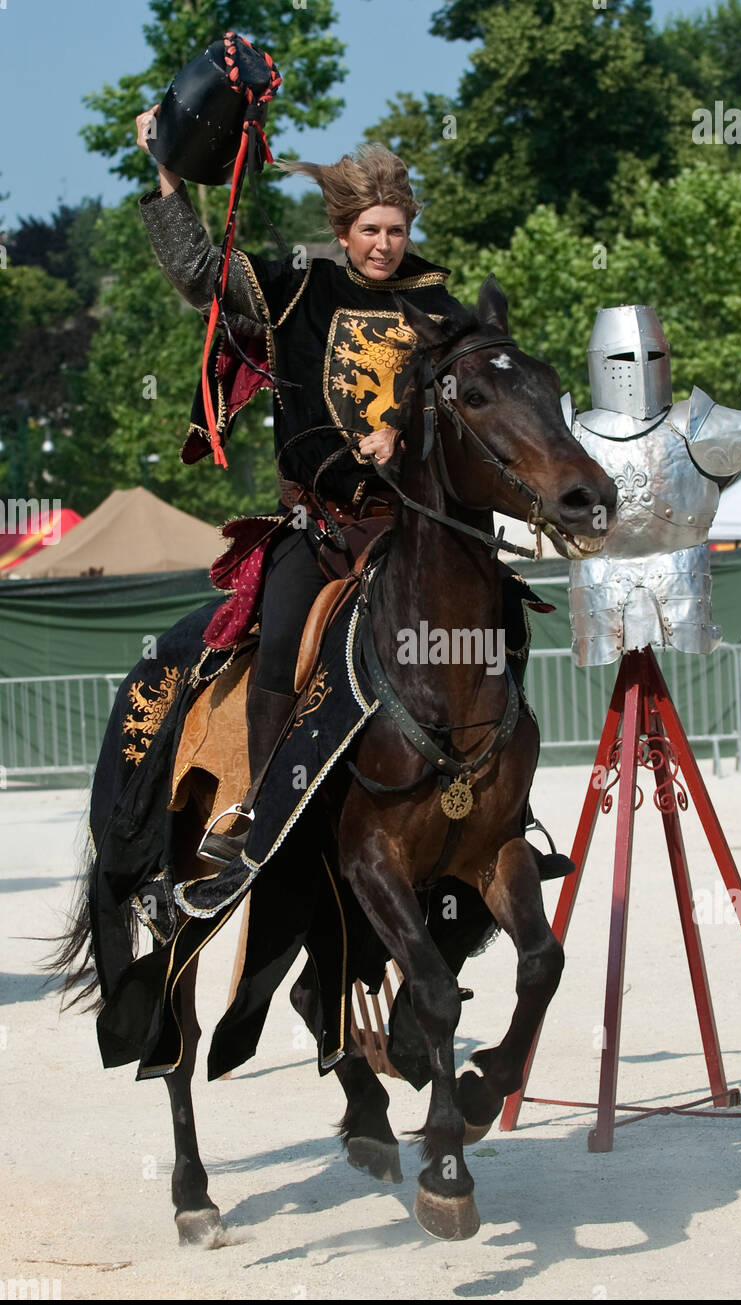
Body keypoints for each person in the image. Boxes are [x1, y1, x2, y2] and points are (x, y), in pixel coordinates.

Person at [136, 111, 468, 862]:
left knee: (496, 621)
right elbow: (201, 278)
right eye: (370, 231)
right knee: (283, 636)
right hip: (320, 528)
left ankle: (493, 796)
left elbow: (472, 405)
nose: (385, 245)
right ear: (344, 230)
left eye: (396, 229)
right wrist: (167, 177)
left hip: (413, 525)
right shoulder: (298, 287)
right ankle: (261, 805)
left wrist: (407, 433)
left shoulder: (440, 306)